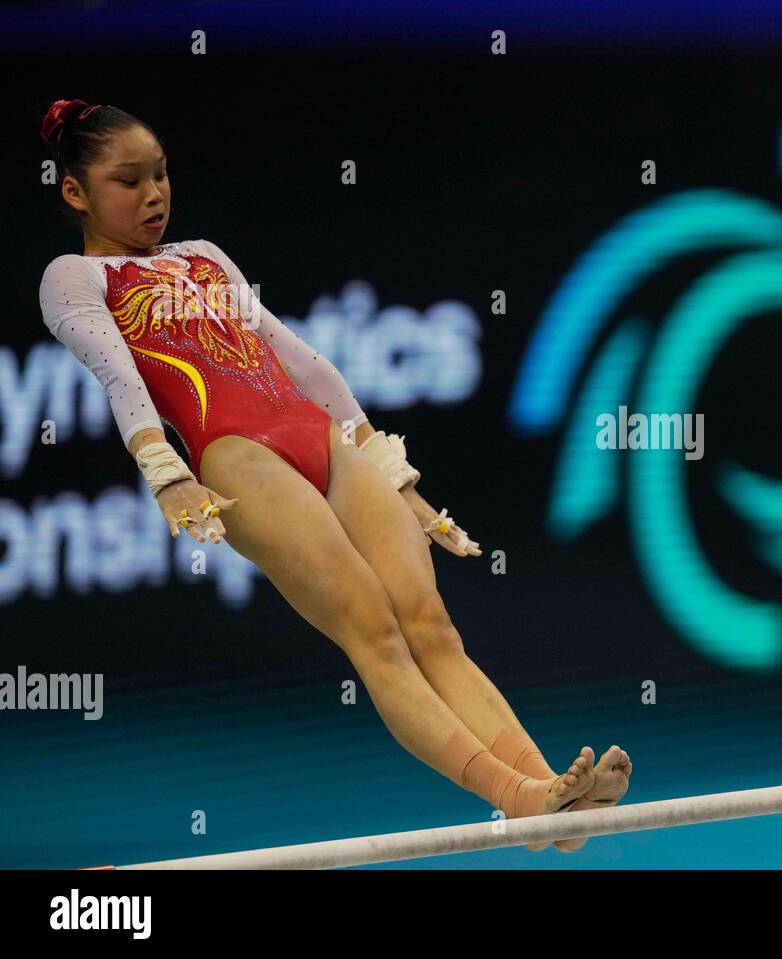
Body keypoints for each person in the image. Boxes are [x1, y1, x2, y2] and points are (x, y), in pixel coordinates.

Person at [36, 99, 630, 853]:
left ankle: (559, 805)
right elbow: (121, 375)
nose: (154, 194)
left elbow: (305, 363)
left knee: (430, 624)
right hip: (234, 452)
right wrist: (167, 473)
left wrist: (399, 479)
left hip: (318, 436)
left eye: (160, 175)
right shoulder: (74, 277)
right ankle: (519, 802)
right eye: (128, 181)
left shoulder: (205, 256)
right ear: (75, 192)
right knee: (374, 630)